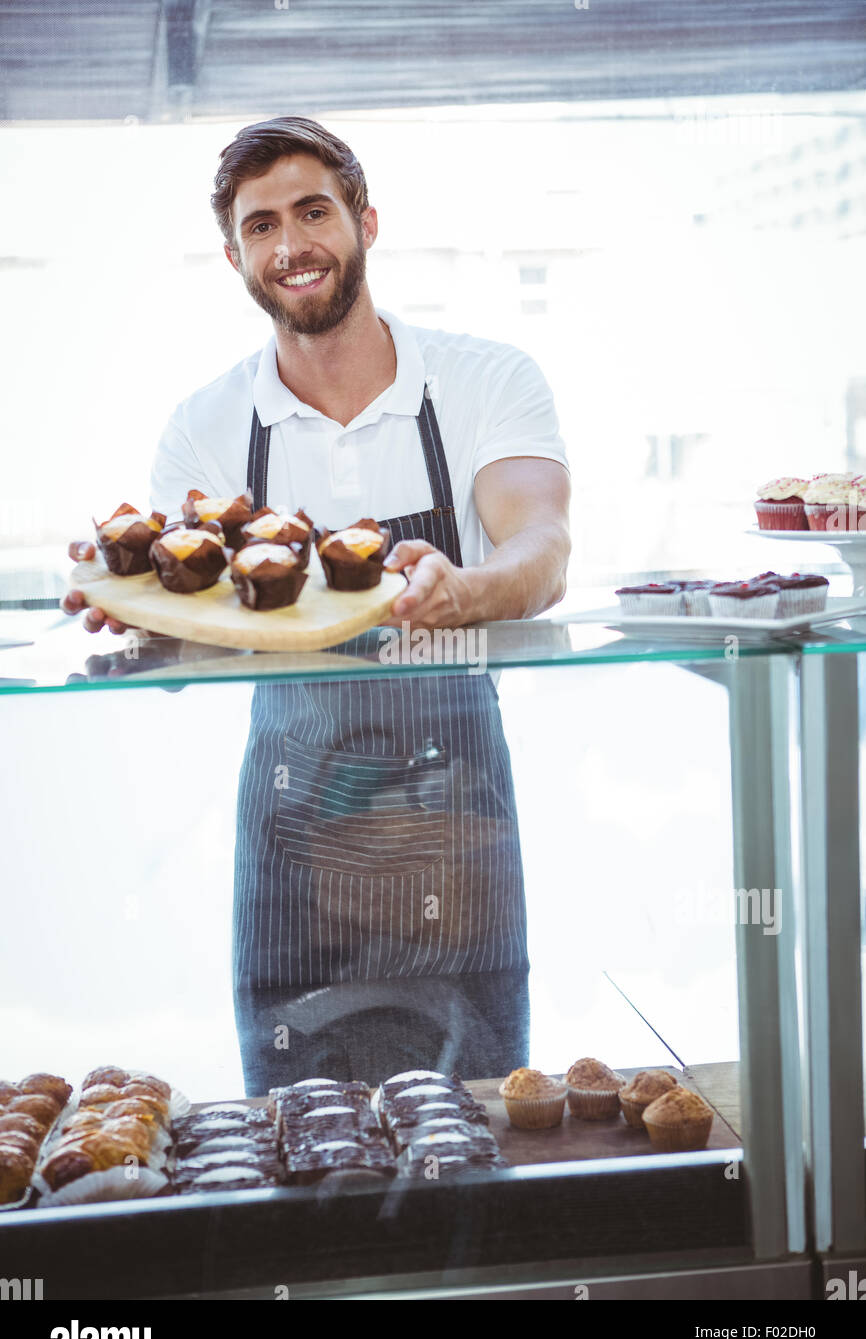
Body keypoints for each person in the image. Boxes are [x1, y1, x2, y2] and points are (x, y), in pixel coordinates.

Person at [64, 116, 571, 1093]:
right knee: (298, 1145)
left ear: (366, 222)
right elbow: (195, 615)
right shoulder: (206, 429)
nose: (290, 245)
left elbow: (540, 550)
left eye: (312, 211)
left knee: (468, 1125)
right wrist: (136, 613)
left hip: (450, 820)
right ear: (233, 254)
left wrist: (462, 591)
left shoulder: (484, 379)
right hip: (292, 837)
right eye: (261, 226)